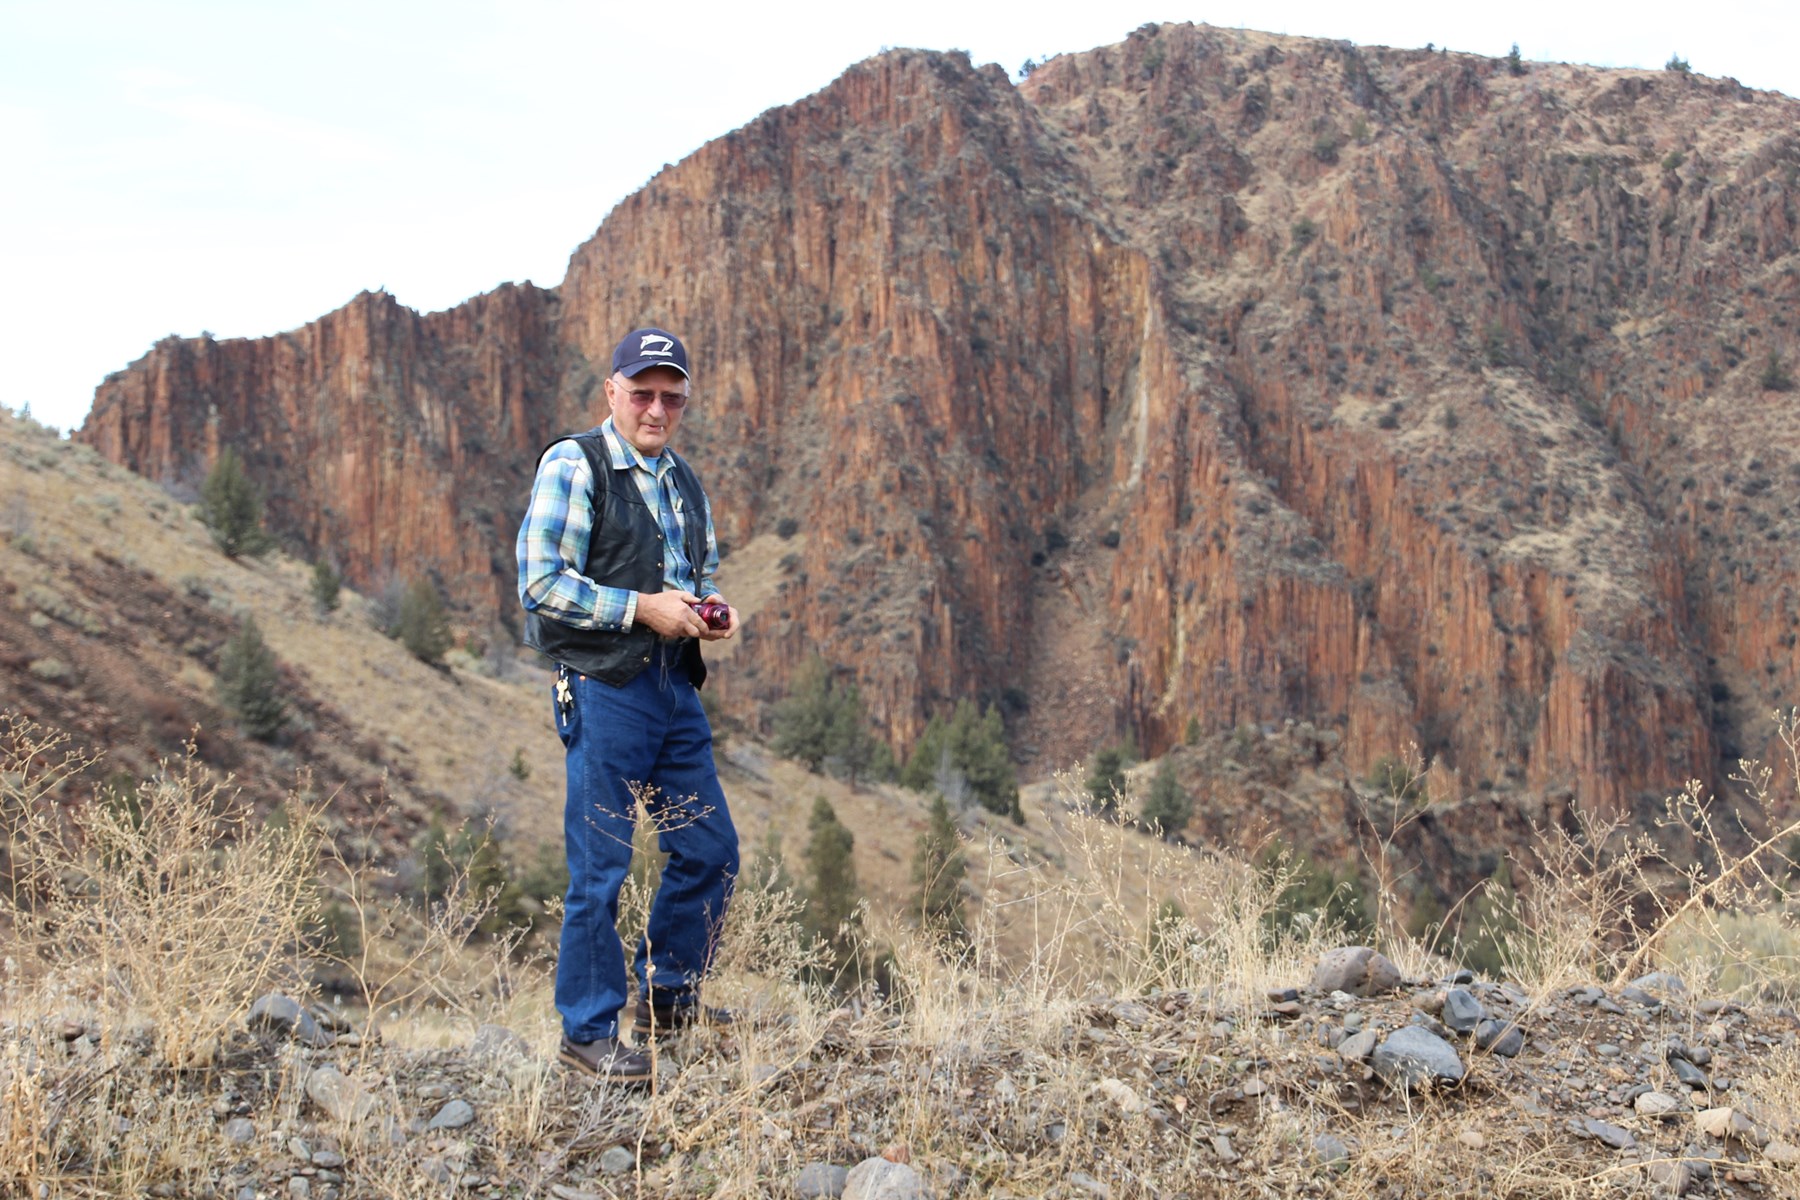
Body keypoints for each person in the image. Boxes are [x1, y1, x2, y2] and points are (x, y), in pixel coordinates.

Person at [516, 327, 741, 1085]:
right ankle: (586, 1034)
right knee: (601, 867)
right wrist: (641, 609)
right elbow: (541, 582)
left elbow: (695, 574)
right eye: (641, 393)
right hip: (604, 688)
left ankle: (666, 1001)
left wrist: (711, 610)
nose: (655, 409)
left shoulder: (683, 483)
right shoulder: (573, 465)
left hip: (674, 689)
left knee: (710, 850)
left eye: (669, 396)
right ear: (612, 391)